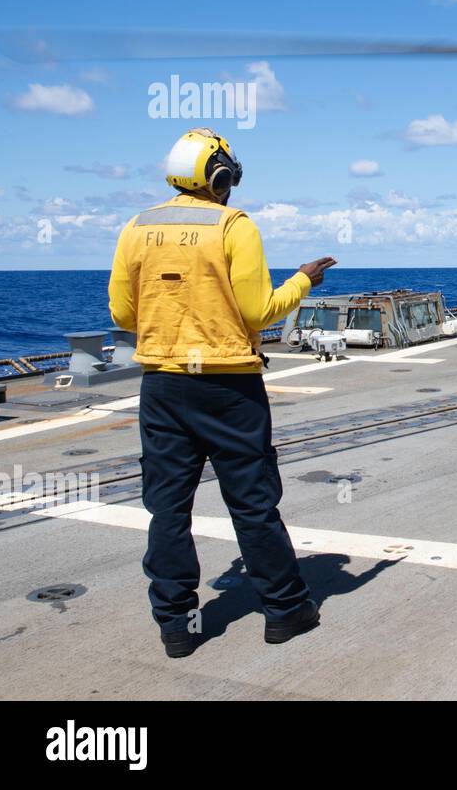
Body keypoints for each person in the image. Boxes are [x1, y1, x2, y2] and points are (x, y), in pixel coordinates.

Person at [108, 127, 336, 658]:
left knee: (168, 511)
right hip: (230, 389)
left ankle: (177, 625)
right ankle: (284, 611)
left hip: (162, 386)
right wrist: (302, 280)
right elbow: (258, 312)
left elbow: (122, 314)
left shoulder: (136, 227)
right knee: (253, 505)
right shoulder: (234, 226)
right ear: (220, 176)